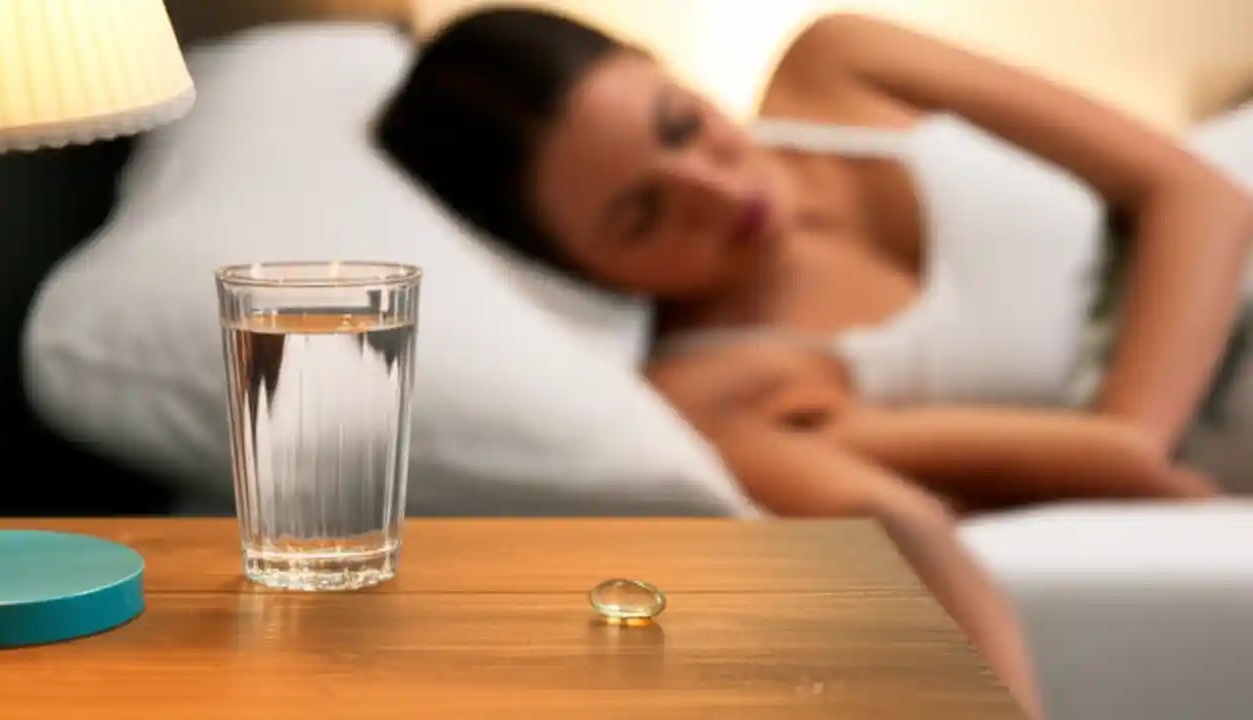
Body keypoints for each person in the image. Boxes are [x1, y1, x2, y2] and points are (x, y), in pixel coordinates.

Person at [372, 9, 1253, 716]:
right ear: (579, 274)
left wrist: (1132, 435)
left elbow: (1198, 190)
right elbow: (903, 523)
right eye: (644, 216)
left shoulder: (841, 62)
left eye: (683, 125)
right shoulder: (717, 388)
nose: (718, 191)